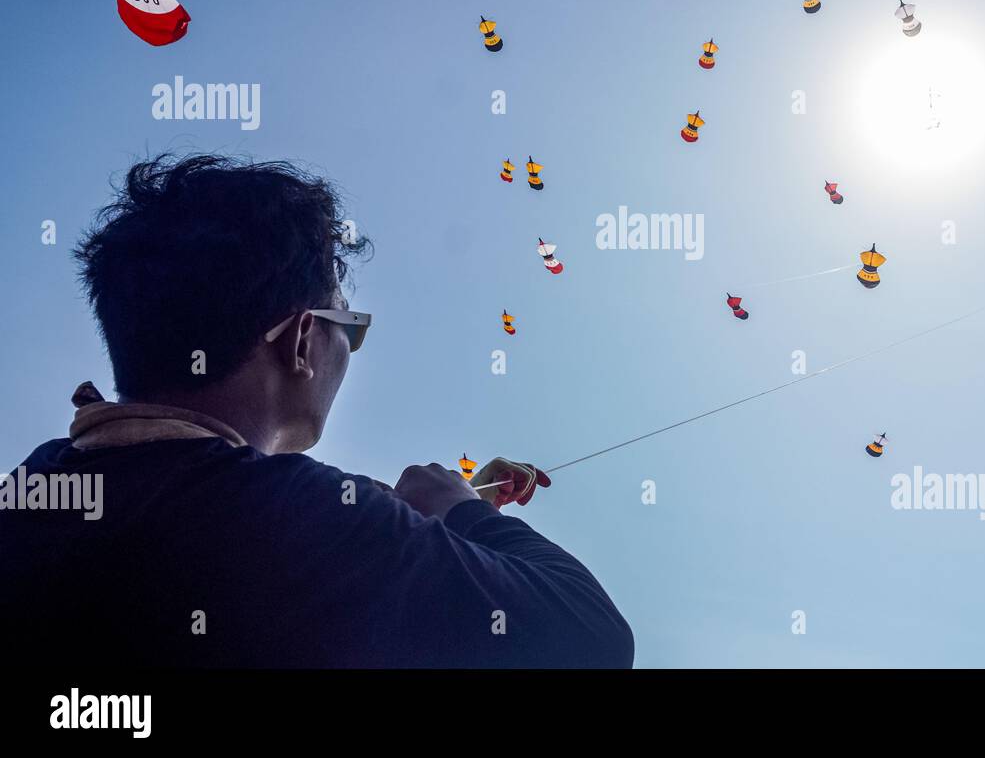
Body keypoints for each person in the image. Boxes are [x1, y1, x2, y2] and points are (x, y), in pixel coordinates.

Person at [0, 154, 634, 668]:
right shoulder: (294, 523)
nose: (350, 349)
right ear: (301, 341)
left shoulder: (35, 487)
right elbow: (588, 637)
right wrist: (457, 510)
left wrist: (448, 527)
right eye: (349, 328)